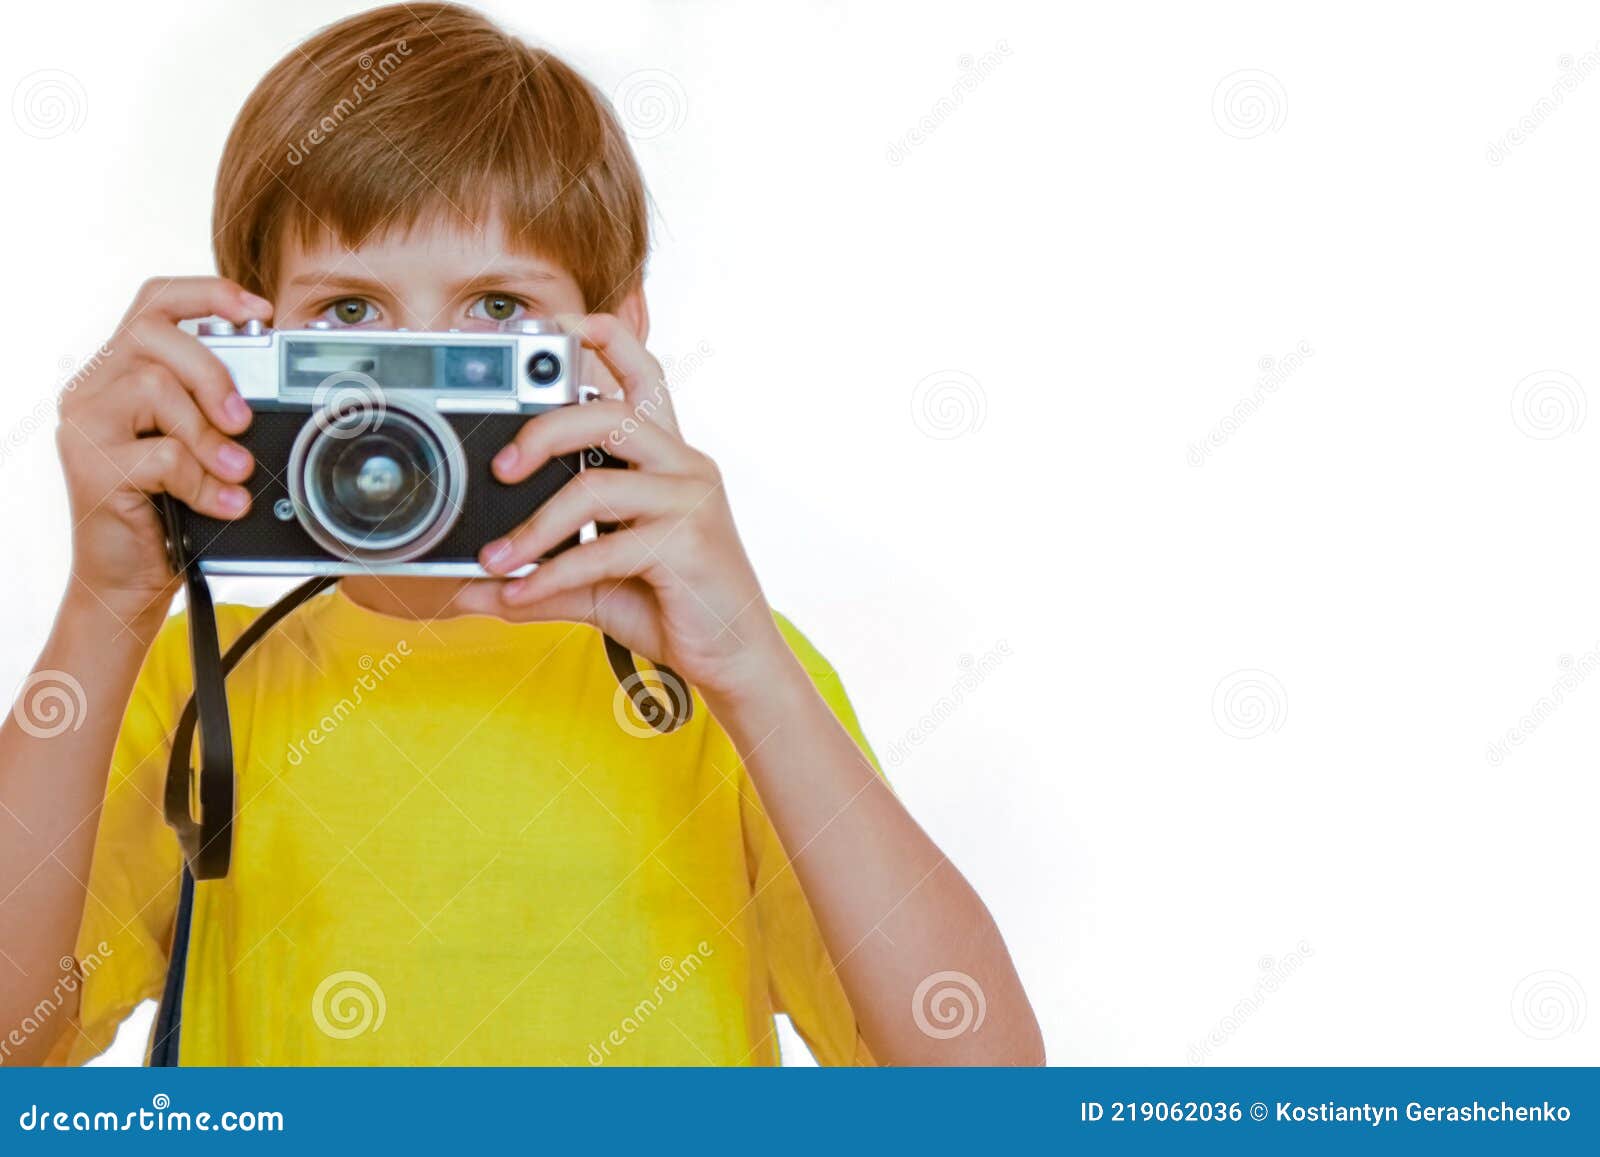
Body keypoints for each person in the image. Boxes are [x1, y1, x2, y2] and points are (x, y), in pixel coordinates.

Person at [0, 1, 1041, 1066]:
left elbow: (985, 1089)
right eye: (350, 315)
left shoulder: (716, 680)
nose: (415, 382)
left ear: (616, 343)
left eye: (496, 312)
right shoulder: (195, 681)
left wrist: (751, 670)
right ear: (251, 349)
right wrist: (104, 605)